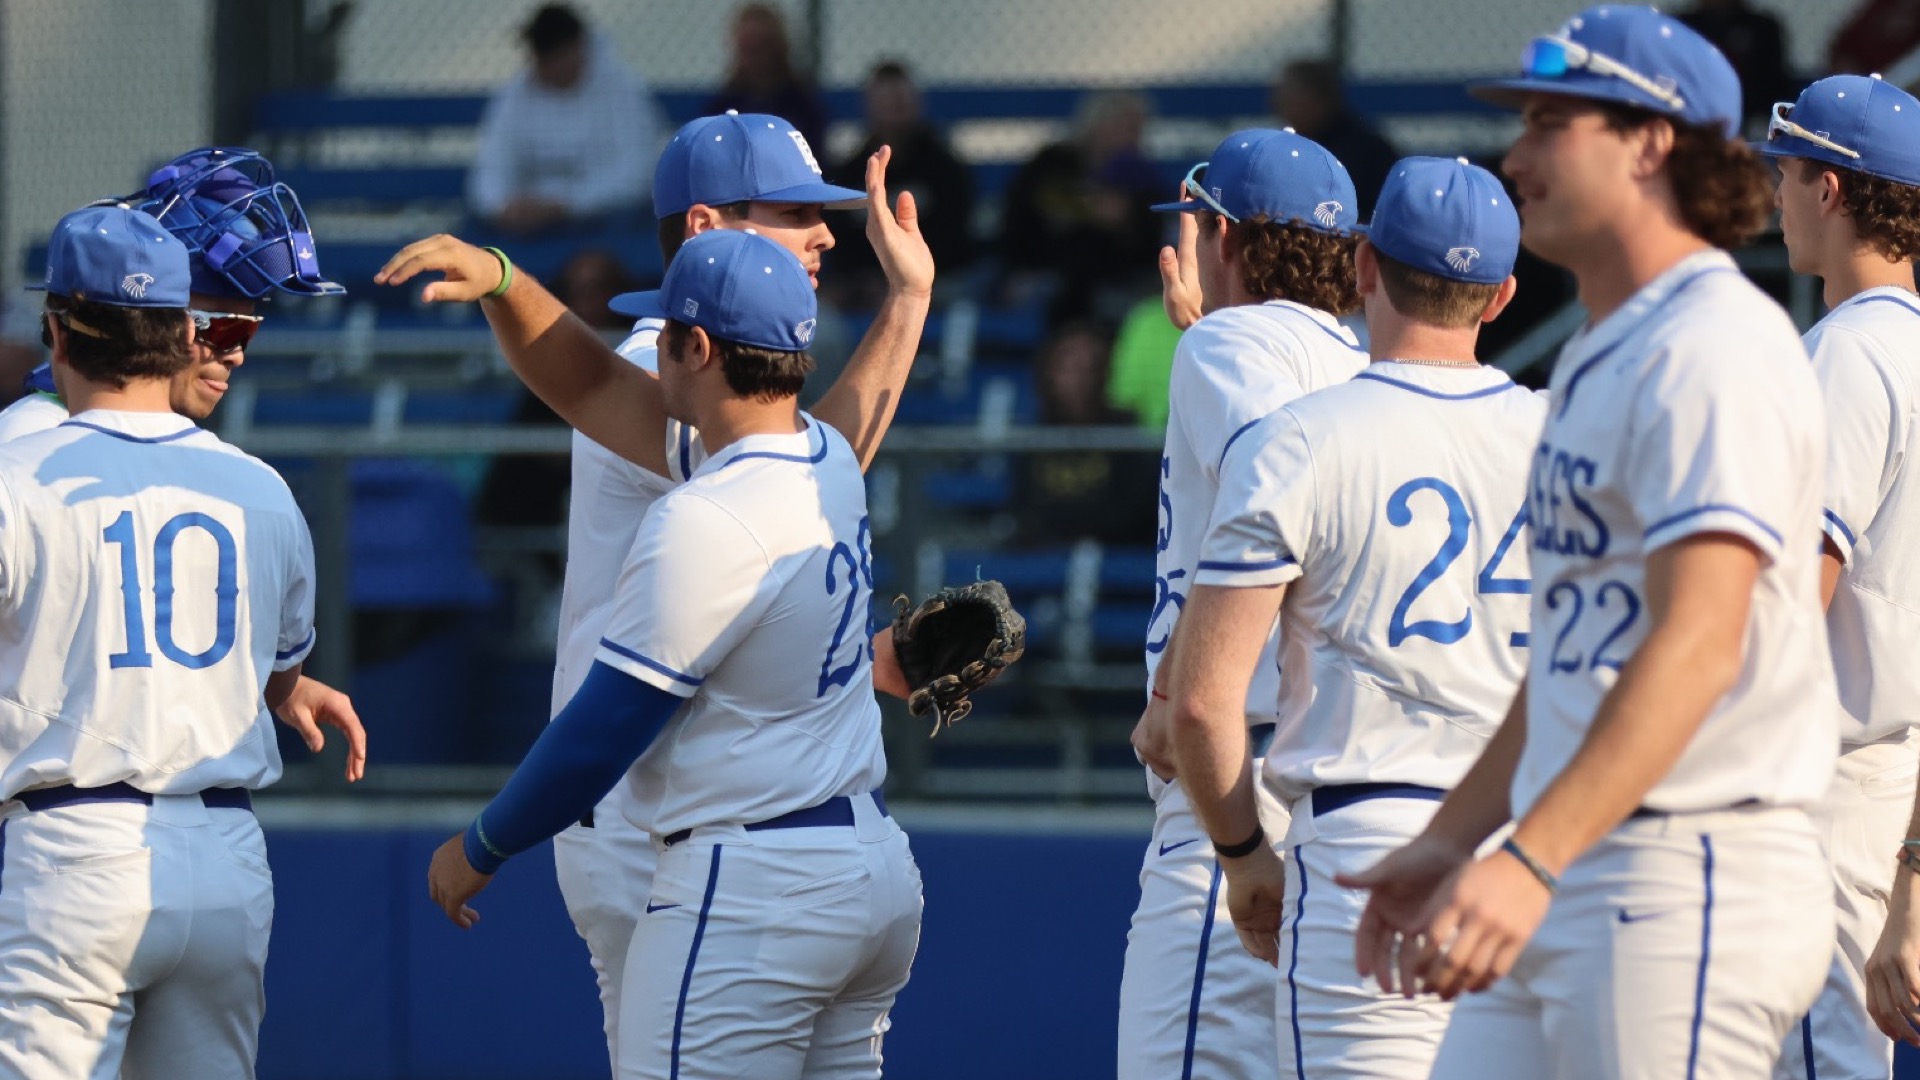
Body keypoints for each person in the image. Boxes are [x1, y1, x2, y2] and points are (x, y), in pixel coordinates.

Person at [380, 110, 932, 1072]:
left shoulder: (763, 422)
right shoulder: (667, 364)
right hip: (650, 821)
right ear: (710, 226)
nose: (825, 234)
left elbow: (801, 473)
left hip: (719, 826)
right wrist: (510, 285)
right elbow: (605, 388)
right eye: (794, 210)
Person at [1344, 8, 1839, 1077]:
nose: (1514, 156)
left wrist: (1525, 853)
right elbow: (1572, 660)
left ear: (1651, 142)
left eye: (1549, 122)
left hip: (1686, 861)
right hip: (1574, 853)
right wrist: (1456, 833)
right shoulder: (1601, 352)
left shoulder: (1715, 342)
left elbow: (1699, 645)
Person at [1164, 155, 1539, 1078]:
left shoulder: (1302, 436)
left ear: (1365, 265)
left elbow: (1203, 705)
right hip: (1536, 849)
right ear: (1500, 297)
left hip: (1365, 850)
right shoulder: (1563, 430)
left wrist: (1247, 859)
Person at [0, 204, 363, 1079]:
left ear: (56, 330)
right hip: (227, 857)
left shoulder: (16, 471)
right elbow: (278, 662)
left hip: (72, 850)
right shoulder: (261, 486)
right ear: (178, 333)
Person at [1118, 128, 1368, 1080]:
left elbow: (1279, 491)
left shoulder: (1226, 343)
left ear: (1226, 237)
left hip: (1238, 785)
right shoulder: (1366, 364)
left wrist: (1174, 681)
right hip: (1345, 777)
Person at [0, 148, 358, 743]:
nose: (236, 351)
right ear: (153, 314)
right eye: (216, 326)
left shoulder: (223, 466)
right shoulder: (23, 449)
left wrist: (281, 686)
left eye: (251, 327)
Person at [1759, 75, 1920, 1077]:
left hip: (1822, 792)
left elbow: (1780, 621)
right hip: (1892, 798)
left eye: (1784, 174)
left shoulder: (1846, 357)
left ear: (1830, 188)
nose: (1775, 200)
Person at [469, 3, 665, 234]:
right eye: (541, 53)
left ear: (578, 47)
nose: (546, 63)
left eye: (555, 53)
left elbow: (636, 174)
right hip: (527, 229)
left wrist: (568, 205)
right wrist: (503, 207)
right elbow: (492, 168)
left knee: (589, 269)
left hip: (603, 221)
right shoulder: (515, 95)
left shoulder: (623, 91)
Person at [998, 91, 1166, 325]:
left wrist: (1124, 222)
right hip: (1047, 269)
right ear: (1096, 125)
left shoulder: (1142, 177)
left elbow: (1150, 242)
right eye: (1123, 126)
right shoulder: (1053, 163)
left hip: (1116, 278)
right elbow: (1023, 221)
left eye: (1137, 128)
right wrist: (1084, 211)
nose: (1132, 136)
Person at [827, 60, 974, 308]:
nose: (893, 109)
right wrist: (867, 278)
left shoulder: (946, 168)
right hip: (864, 284)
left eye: (900, 100)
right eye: (885, 101)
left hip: (936, 279)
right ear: (868, 105)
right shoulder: (850, 172)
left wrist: (900, 276)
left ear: (917, 103)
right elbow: (840, 239)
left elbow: (953, 237)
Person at [1273, 60, 1401, 218]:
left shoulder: (1361, 152)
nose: (1278, 104)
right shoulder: (1288, 147)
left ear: (1316, 98)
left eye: (1288, 96)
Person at [704, 4, 828, 153]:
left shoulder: (802, 107)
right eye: (749, 47)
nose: (756, 57)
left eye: (763, 46)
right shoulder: (721, 108)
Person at [1678, 0, 1791, 129]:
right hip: (1692, 114)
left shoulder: (1763, 28)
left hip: (1751, 116)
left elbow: (1773, 83)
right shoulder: (1683, 27)